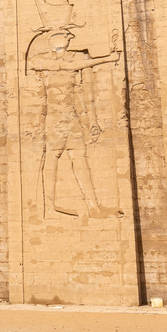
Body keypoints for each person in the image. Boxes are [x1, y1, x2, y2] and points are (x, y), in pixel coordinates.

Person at [29, 30, 120, 217]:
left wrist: (89, 122)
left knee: (80, 159)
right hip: (54, 119)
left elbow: (80, 96)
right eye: (65, 38)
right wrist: (106, 59)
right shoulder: (43, 63)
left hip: (71, 117)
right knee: (52, 159)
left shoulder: (71, 64)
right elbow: (41, 64)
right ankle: (49, 208)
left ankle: (93, 206)